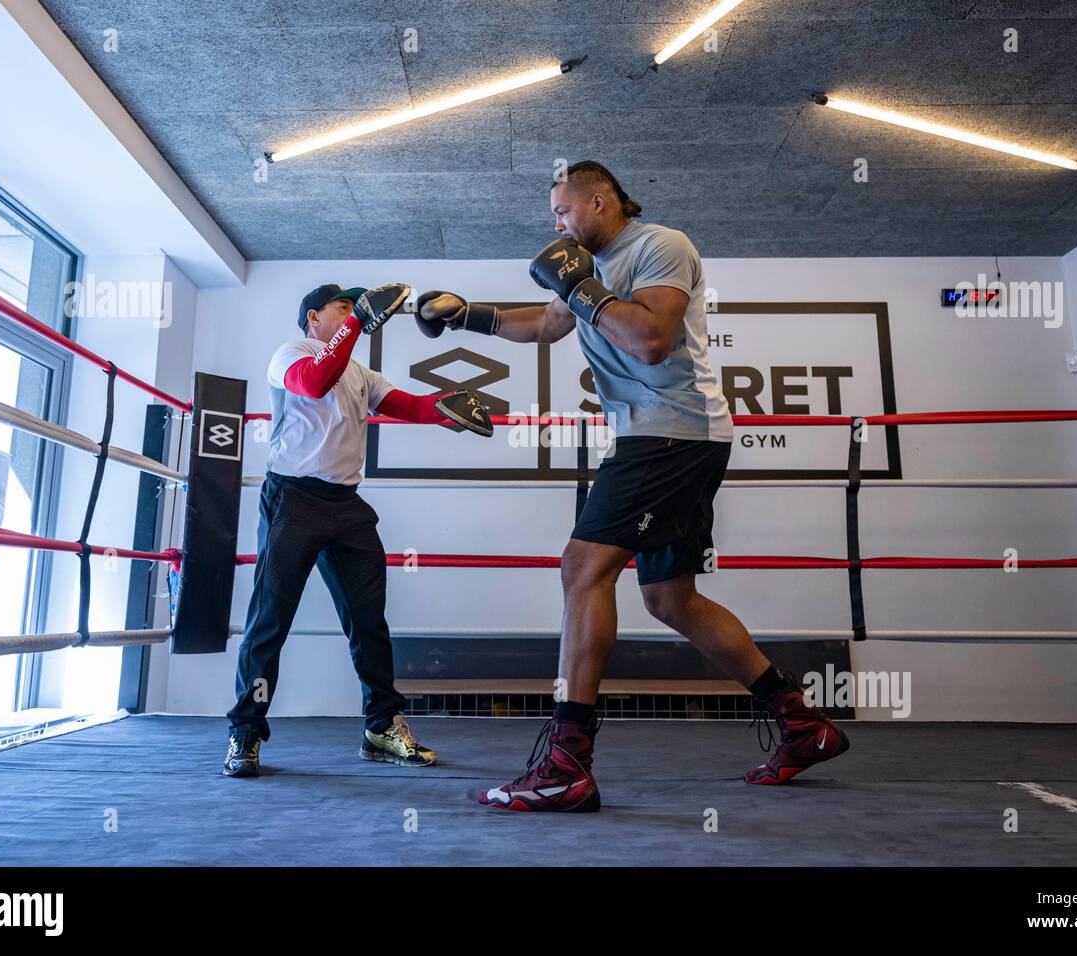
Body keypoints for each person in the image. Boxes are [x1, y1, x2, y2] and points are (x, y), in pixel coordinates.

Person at [415, 161, 850, 812]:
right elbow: (545, 325)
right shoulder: (583, 267)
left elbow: (650, 340)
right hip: (665, 435)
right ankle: (803, 723)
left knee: (582, 569)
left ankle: (567, 765)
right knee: (671, 600)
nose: (556, 225)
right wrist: (466, 316)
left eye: (563, 212)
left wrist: (584, 288)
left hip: (671, 430)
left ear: (599, 201)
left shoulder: (659, 246)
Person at [223, 282, 492, 777]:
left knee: (369, 622)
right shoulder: (291, 354)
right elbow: (312, 383)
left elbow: (407, 406)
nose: (356, 314)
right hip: (293, 500)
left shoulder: (361, 372)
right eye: (343, 308)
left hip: (345, 505)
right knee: (270, 621)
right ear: (313, 319)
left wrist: (446, 405)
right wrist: (357, 322)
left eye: (357, 308)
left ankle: (382, 727)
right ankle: (245, 731)